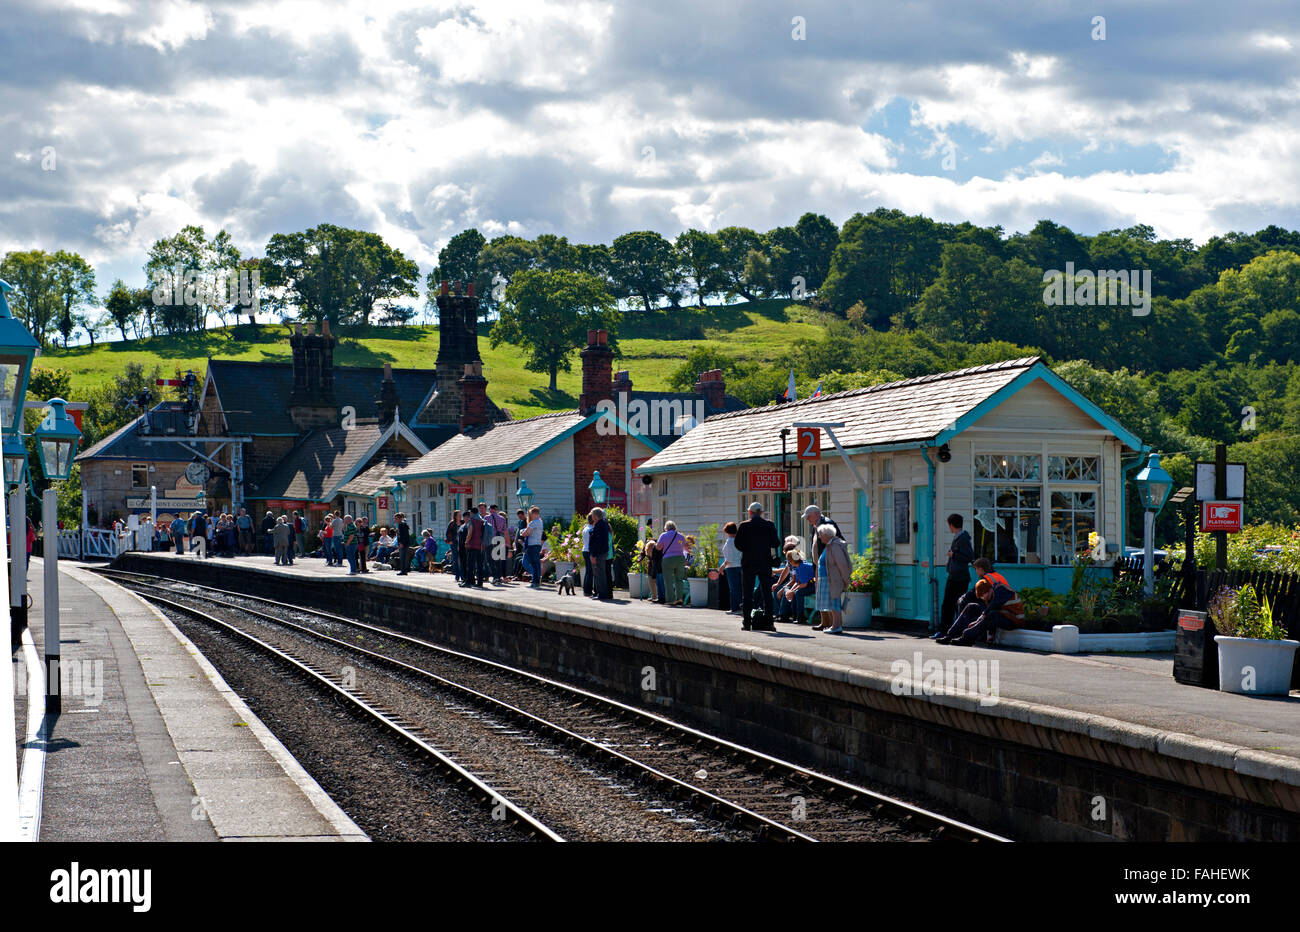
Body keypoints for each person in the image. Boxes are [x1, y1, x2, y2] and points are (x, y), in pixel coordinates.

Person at [937, 577, 1026, 646]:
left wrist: (978, 620)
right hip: (1003, 617)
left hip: (1014, 621)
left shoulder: (1001, 590)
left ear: (989, 590)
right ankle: (950, 635)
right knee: (971, 606)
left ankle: (967, 637)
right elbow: (996, 612)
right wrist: (990, 632)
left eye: (983, 595)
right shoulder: (992, 595)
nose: (983, 598)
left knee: (991, 614)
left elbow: (994, 607)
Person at [734, 502, 779, 630]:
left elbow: (737, 544)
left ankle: (747, 623)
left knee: (747, 594)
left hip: (748, 563)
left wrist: (747, 550)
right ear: (761, 512)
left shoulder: (744, 526)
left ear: (750, 512)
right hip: (765, 562)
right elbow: (776, 542)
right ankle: (769, 622)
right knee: (766, 593)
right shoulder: (769, 525)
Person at [935, 513, 975, 639]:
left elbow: (969, 557)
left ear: (951, 525)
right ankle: (949, 630)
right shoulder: (959, 537)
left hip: (959, 577)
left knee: (951, 604)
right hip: (955, 575)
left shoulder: (963, 539)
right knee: (950, 604)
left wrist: (953, 556)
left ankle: (948, 630)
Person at [811, 524, 852, 633]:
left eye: (820, 535)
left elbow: (842, 564)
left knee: (834, 602)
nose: (819, 537)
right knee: (831, 603)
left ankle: (836, 626)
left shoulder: (835, 546)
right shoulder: (829, 545)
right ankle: (834, 625)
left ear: (826, 535)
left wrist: (845, 580)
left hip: (832, 579)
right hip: (827, 579)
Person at [775, 549, 816, 623]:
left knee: (798, 593)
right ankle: (794, 616)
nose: (788, 563)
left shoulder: (802, 566)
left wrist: (792, 591)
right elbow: (797, 582)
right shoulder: (797, 566)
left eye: (788, 561)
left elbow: (804, 584)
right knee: (793, 592)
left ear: (791, 561)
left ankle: (800, 617)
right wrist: (790, 591)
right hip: (809, 584)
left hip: (815, 584)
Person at [656, 521, 687, 606]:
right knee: (679, 579)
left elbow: (659, 548)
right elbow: (686, 548)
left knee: (668, 580)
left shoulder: (663, 535)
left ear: (666, 528)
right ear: (675, 527)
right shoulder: (681, 536)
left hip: (668, 559)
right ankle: (679, 598)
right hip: (680, 558)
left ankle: (671, 600)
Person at [718, 522, 743, 615]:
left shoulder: (729, 542)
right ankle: (739, 606)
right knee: (739, 587)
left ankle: (735, 608)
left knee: (733, 588)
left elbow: (728, 559)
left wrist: (722, 567)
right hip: (739, 566)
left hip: (731, 567)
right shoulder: (739, 541)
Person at [588, 507, 613, 601]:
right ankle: (602, 593)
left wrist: (594, 555)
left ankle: (602, 594)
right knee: (600, 573)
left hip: (599, 554)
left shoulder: (599, 525)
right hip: (603, 552)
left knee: (599, 573)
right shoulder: (604, 524)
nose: (592, 517)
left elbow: (597, 542)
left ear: (595, 516)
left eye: (592, 515)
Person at [521, 506, 544, 589]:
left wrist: (521, 533)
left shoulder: (533, 523)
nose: (530, 515)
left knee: (533, 564)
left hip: (532, 545)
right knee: (536, 564)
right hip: (538, 544)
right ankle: (537, 581)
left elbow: (526, 533)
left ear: (534, 514)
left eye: (530, 514)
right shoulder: (540, 521)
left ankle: (534, 582)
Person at [446, 510, 462, 582]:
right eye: (458, 515)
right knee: (455, 559)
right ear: (455, 516)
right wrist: (450, 541)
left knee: (462, 559)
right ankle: (457, 575)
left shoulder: (463, 523)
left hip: (461, 543)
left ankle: (463, 575)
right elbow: (448, 533)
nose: (460, 516)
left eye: (460, 515)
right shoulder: (452, 524)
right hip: (454, 543)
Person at [581, 513, 595, 597]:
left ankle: (586, 589)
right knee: (590, 572)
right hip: (589, 550)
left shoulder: (585, 528)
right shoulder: (592, 529)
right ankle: (588, 590)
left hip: (584, 549)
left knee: (588, 571)